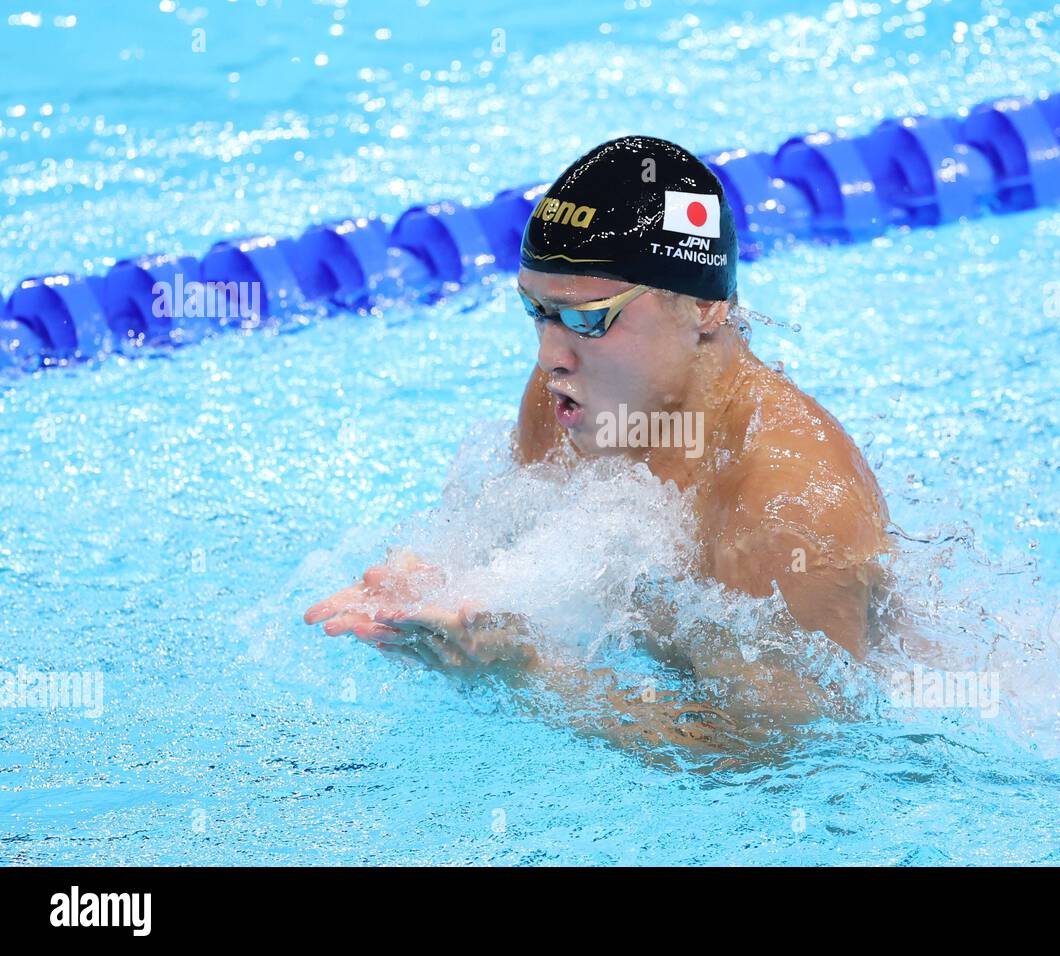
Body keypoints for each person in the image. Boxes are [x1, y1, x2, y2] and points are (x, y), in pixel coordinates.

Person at [304, 135, 892, 748]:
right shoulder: (568, 394)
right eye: (537, 311)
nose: (550, 355)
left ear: (703, 308)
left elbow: (776, 755)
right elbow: (534, 535)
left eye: (589, 319)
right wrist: (441, 582)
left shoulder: (788, 507)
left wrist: (530, 675)